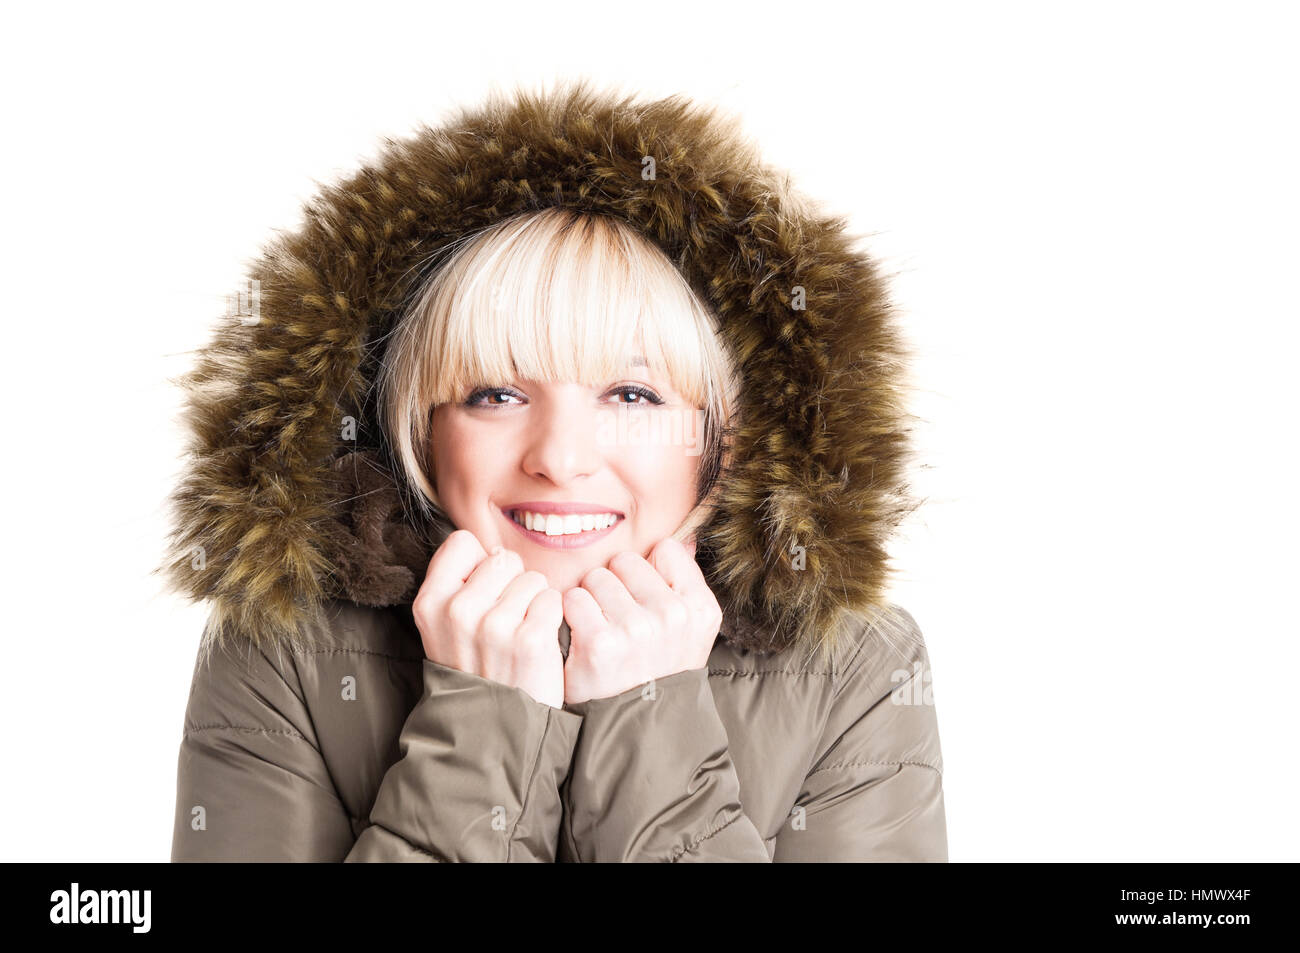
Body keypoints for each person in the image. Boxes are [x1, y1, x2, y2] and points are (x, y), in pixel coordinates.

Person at [161, 79, 948, 862]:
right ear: (418, 429)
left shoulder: (853, 668)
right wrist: (480, 729)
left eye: (634, 394)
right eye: (495, 394)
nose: (560, 458)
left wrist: (655, 735)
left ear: (726, 440)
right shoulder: (284, 647)